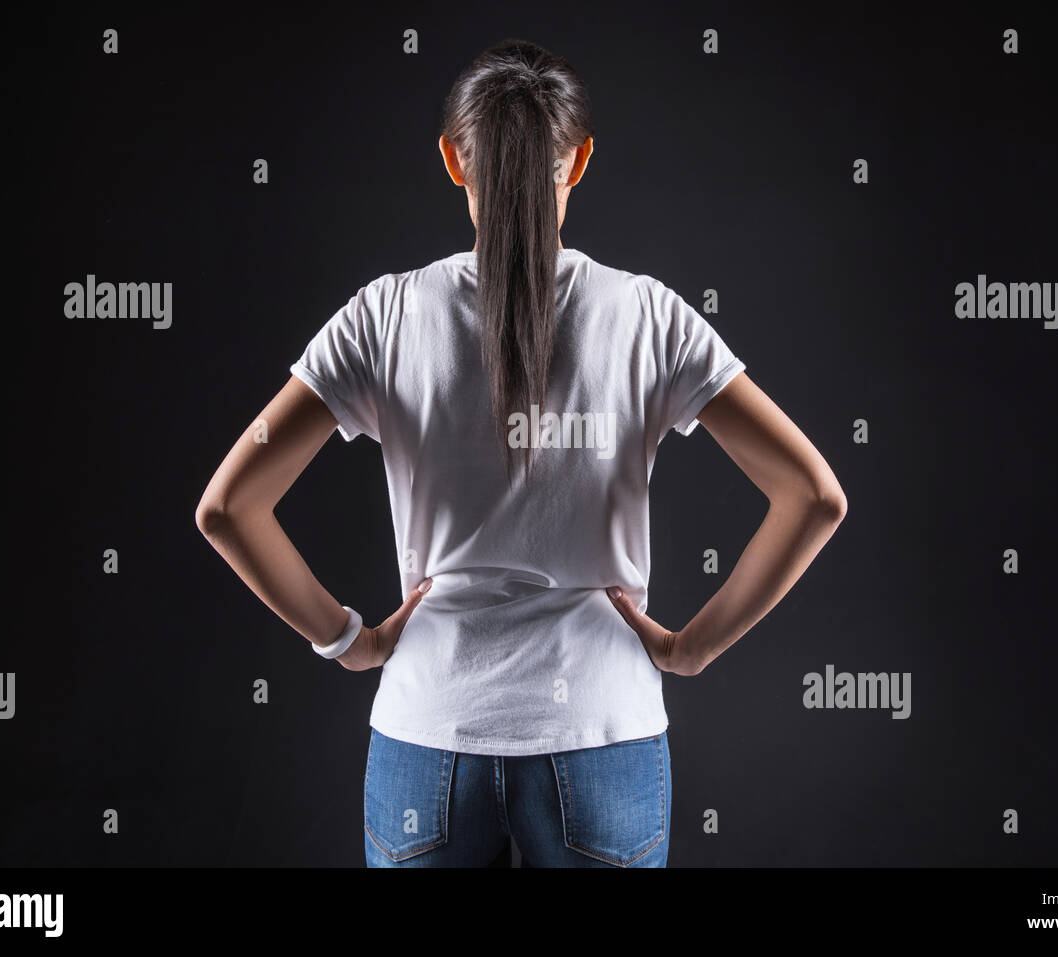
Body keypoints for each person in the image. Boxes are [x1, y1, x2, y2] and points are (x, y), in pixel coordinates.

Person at [195, 38, 848, 868]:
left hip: (427, 739)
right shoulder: (648, 316)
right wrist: (692, 647)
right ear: (577, 161)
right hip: (602, 739)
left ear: (451, 160)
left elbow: (226, 508)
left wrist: (349, 640)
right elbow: (815, 496)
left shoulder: (383, 317)